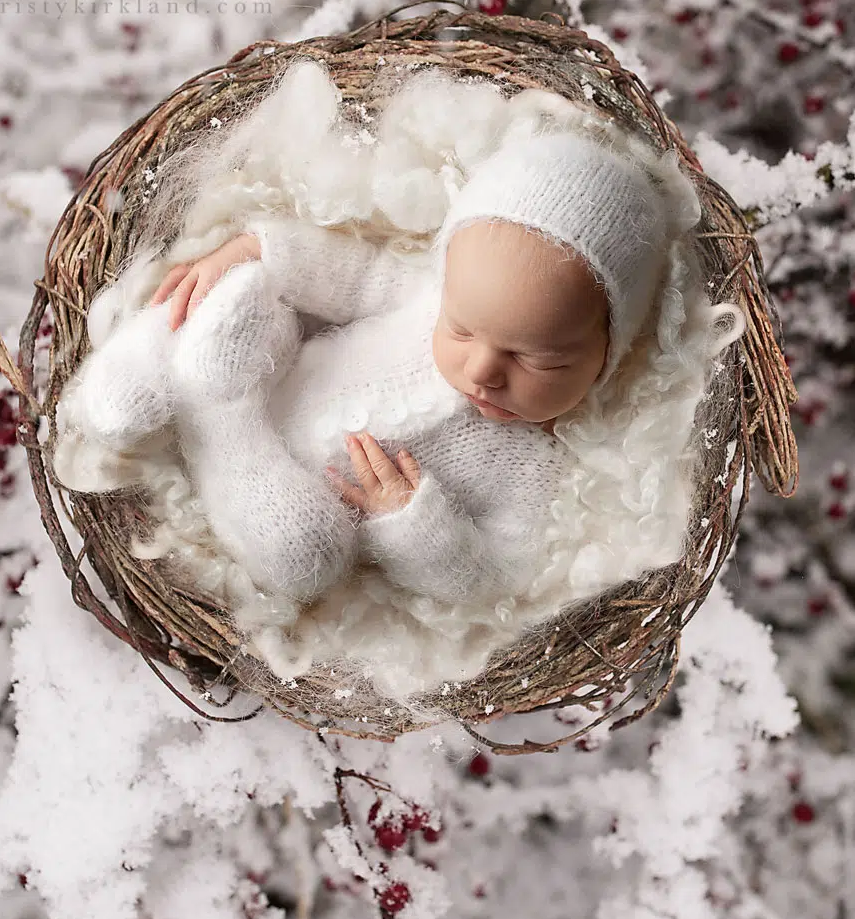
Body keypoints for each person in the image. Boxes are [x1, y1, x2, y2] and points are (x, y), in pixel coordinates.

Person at [55, 130, 680, 610]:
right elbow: (346, 274)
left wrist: (413, 520)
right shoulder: (421, 297)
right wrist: (249, 249)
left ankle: (213, 415)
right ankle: (152, 353)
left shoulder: (537, 470)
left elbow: (494, 578)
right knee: (245, 295)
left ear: (609, 352)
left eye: (537, 358)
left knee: (307, 557)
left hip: (281, 489)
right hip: (273, 361)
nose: (483, 369)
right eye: (461, 329)